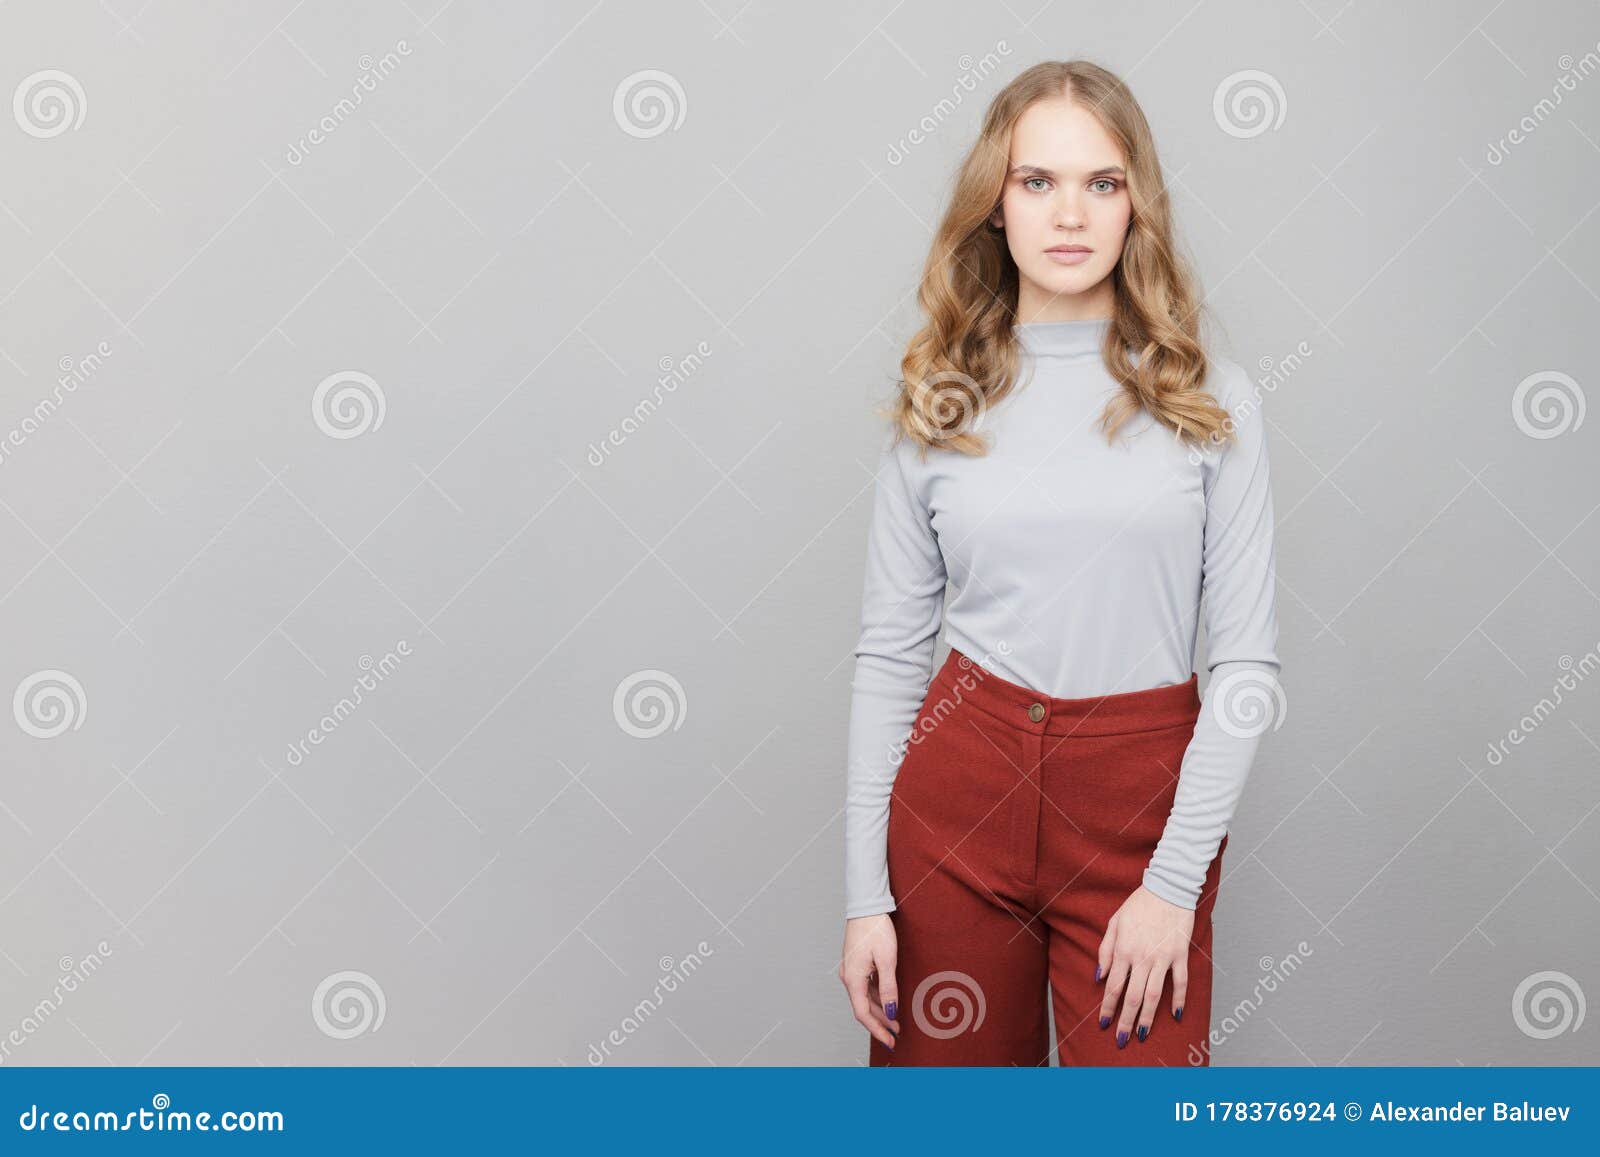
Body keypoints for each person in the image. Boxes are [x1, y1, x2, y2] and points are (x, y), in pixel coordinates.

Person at [838, 59, 1284, 1066]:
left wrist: (1173, 884)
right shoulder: (940, 401)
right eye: (1036, 181)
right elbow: (889, 658)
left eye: (1103, 181)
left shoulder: (1214, 400)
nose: (1069, 213)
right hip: (958, 797)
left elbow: (1247, 670)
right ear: (995, 204)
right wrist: (867, 896)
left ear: (1138, 204)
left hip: (1137, 806)